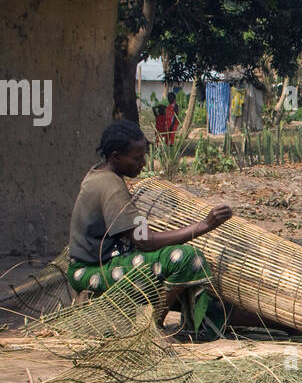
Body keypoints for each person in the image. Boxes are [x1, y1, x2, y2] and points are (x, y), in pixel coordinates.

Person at [67, 120, 231, 334]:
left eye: (143, 156)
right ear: (116, 157)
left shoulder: (100, 175)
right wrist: (205, 225)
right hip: (91, 272)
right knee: (186, 258)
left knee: (190, 282)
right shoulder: (110, 185)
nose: (143, 163)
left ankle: (203, 323)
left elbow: (138, 232)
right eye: (136, 158)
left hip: (103, 263)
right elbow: (145, 241)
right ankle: (151, 329)